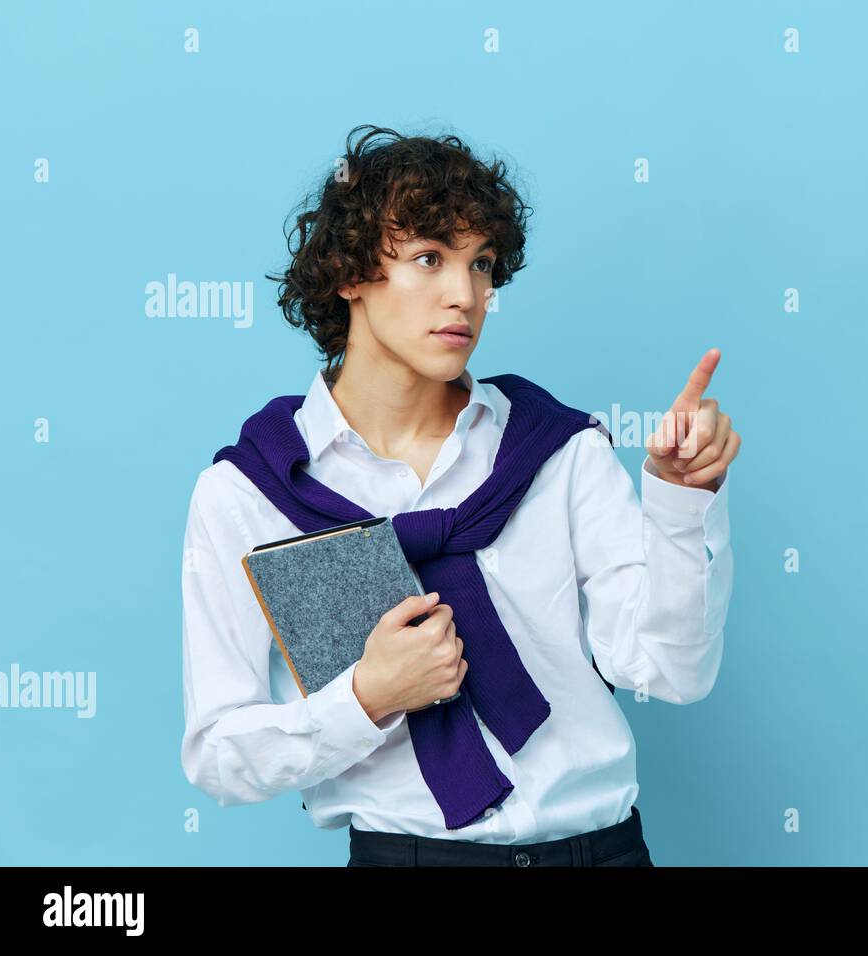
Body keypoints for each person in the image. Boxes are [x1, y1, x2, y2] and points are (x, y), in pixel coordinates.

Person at [179, 125, 740, 867]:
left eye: (480, 265)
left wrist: (679, 499)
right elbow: (220, 754)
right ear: (349, 275)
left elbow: (672, 671)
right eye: (428, 259)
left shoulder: (555, 449)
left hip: (603, 854)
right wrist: (367, 698)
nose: (466, 295)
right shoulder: (257, 494)